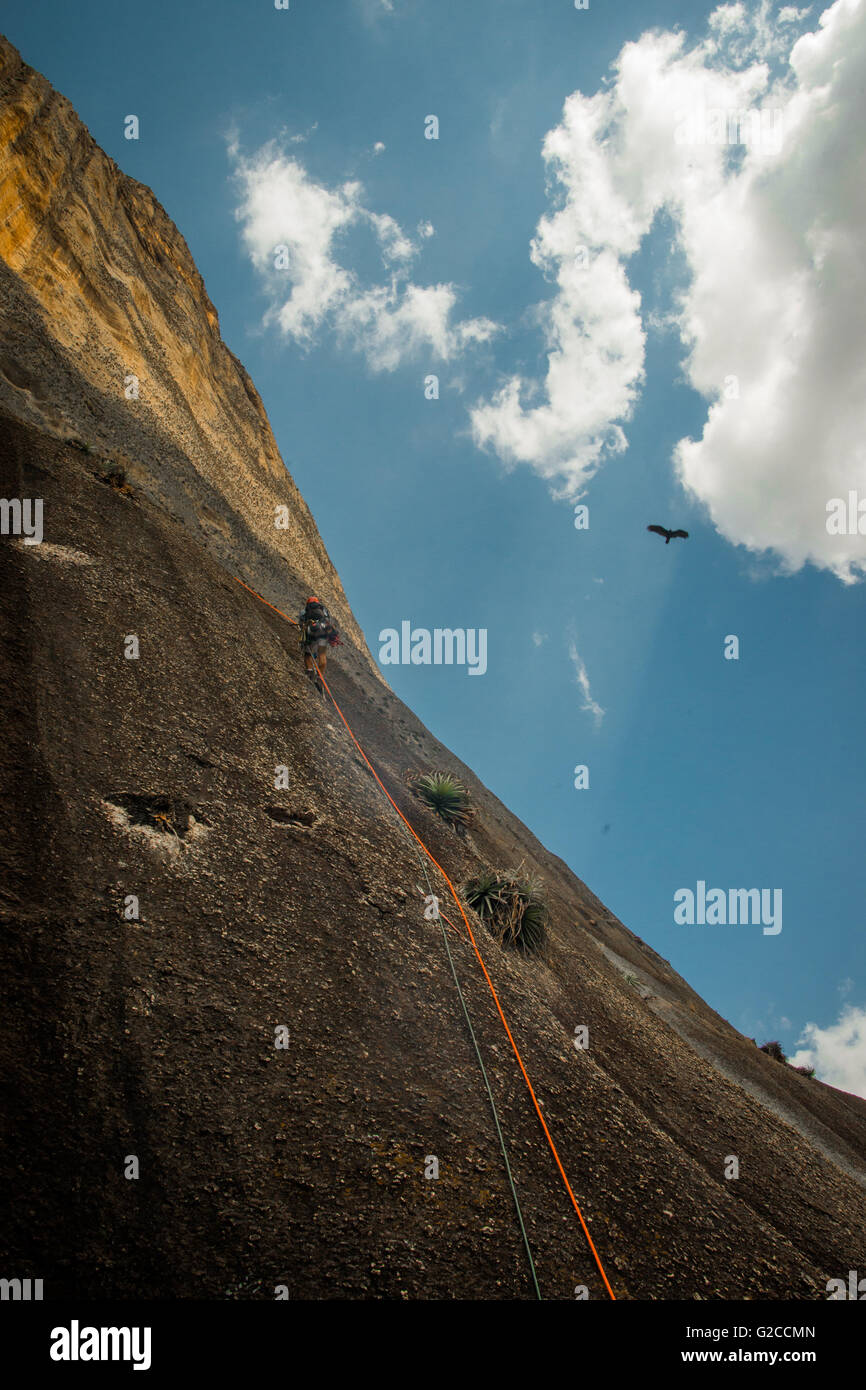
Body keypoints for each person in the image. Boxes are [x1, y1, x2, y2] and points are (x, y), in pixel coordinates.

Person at [297, 596, 340, 691]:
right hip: (322, 636)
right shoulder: (324, 610)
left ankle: (309, 671)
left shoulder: (304, 611)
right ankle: (319, 676)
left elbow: (301, 624)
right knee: (322, 655)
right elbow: (328, 622)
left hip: (310, 633)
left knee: (308, 654)